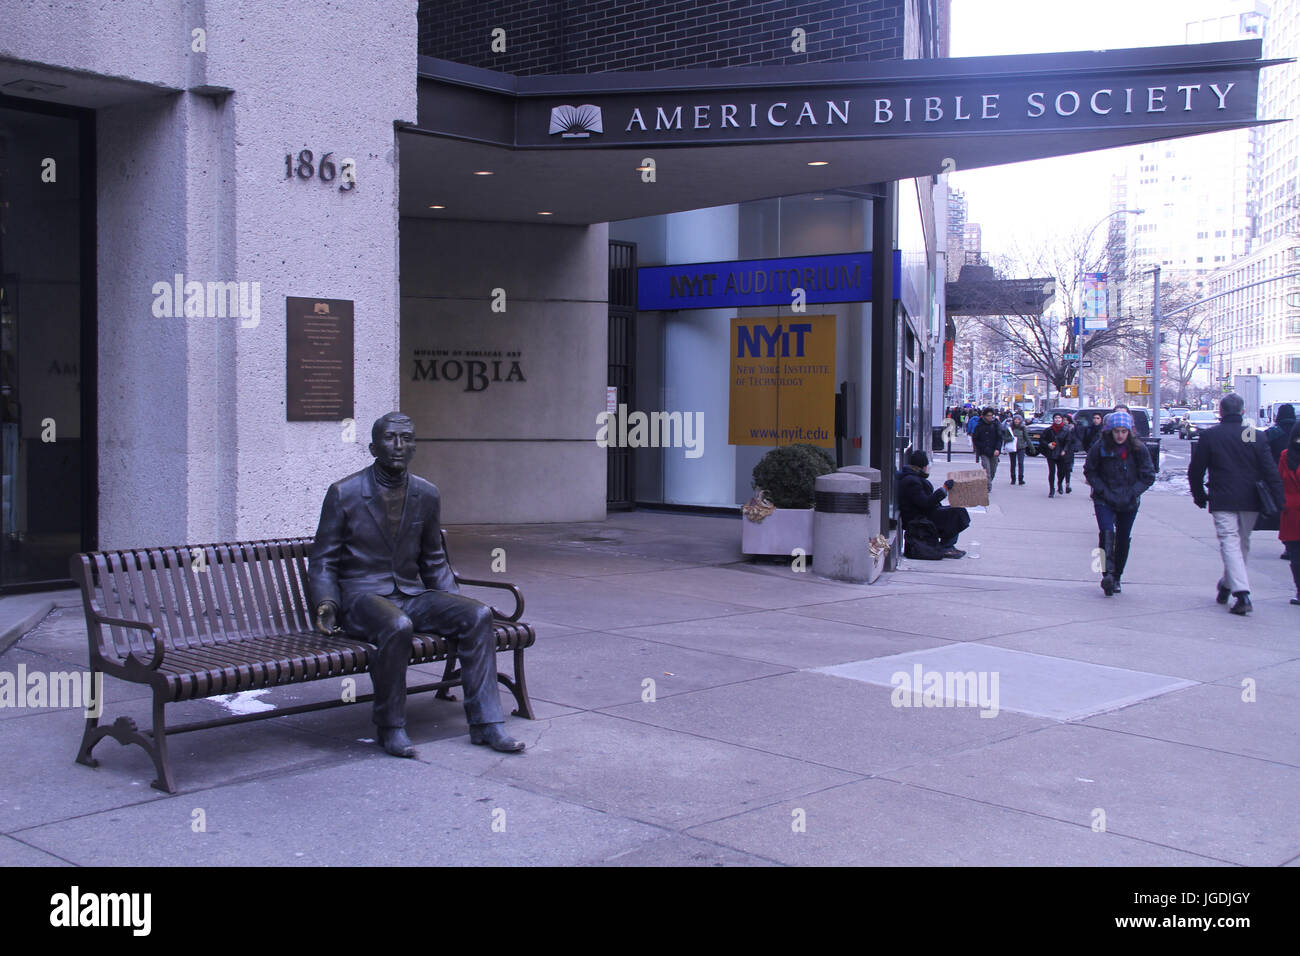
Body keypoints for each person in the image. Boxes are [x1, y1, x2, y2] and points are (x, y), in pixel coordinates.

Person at [309, 412, 526, 757]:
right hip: (362, 597)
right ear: (372, 447)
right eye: (391, 439)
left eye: (407, 438)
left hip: (409, 593)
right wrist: (327, 604)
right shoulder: (344, 493)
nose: (399, 446)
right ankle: (390, 726)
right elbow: (323, 559)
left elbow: (433, 559)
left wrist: (455, 606)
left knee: (478, 615)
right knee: (397, 625)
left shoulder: (426, 493)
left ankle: (487, 724)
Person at [1187, 393, 1286, 616]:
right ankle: (1238, 590)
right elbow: (1268, 468)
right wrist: (1279, 499)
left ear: (1220, 412)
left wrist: (1199, 494)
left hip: (1222, 498)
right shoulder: (1251, 434)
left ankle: (1233, 587)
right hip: (1251, 498)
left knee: (1232, 543)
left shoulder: (1212, 435)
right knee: (1241, 543)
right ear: (1242, 412)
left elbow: (1196, 469)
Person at [1084, 411, 1155, 595]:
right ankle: (1105, 574)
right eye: (1117, 431)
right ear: (1110, 431)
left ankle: (1117, 576)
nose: (1120, 435)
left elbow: (1148, 476)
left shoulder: (1139, 449)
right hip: (1105, 498)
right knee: (1106, 533)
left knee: (1123, 538)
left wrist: (1132, 492)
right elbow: (1090, 471)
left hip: (1129, 500)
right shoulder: (1100, 447)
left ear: (1129, 432)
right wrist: (1102, 491)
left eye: (1124, 431)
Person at [897, 450, 969, 558]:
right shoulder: (911, 481)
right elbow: (925, 502)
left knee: (956, 510)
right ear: (922, 466)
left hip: (923, 513)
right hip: (919, 518)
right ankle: (947, 547)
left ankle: (948, 545)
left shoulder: (912, 477)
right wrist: (944, 489)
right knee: (956, 513)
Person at [1278, 422, 1300, 606]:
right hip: (1292, 511)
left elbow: (1279, 481)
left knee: (1295, 556)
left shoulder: (1286, 456)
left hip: (1291, 512)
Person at [1038, 412, 1072, 498]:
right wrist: (1048, 444)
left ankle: (1059, 483)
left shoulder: (1066, 430)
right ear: (1053, 419)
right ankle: (1051, 489)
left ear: (1062, 419)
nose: (1057, 419)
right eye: (1056, 418)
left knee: (1062, 472)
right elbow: (1042, 440)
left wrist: (1065, 450)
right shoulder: (1049, 430)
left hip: (1061, 453)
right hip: (1051, 453)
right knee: (1052, 472)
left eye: (1059, 418)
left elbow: (1068, 441)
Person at [971, 406, 1002, 491]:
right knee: (987, 470)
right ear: (984, 416)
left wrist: (998, 449)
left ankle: (988, 482)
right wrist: (981, 447)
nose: (990, 417)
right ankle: (988, 487)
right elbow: (975, 439)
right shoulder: (979, 426)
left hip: (994, 451)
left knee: (993, 470)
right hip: (984, 451)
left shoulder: (995, 425)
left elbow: (1000, 438)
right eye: (988, 415)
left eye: (991, 415)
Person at [1004, 413, 1030, 486]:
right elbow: (1005, 438)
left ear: (1021, 420)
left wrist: (1031, 448)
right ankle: (1013, 478)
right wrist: (1010, 439)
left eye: (1018, 419)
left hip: (1021, 447)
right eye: (1015, 419)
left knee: (1021, 463)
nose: (1016, 421)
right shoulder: (1010, 428)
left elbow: (1026, 437)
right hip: (1012, 448)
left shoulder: (1023, 428)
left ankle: (1021, 479)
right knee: (1013, 463)